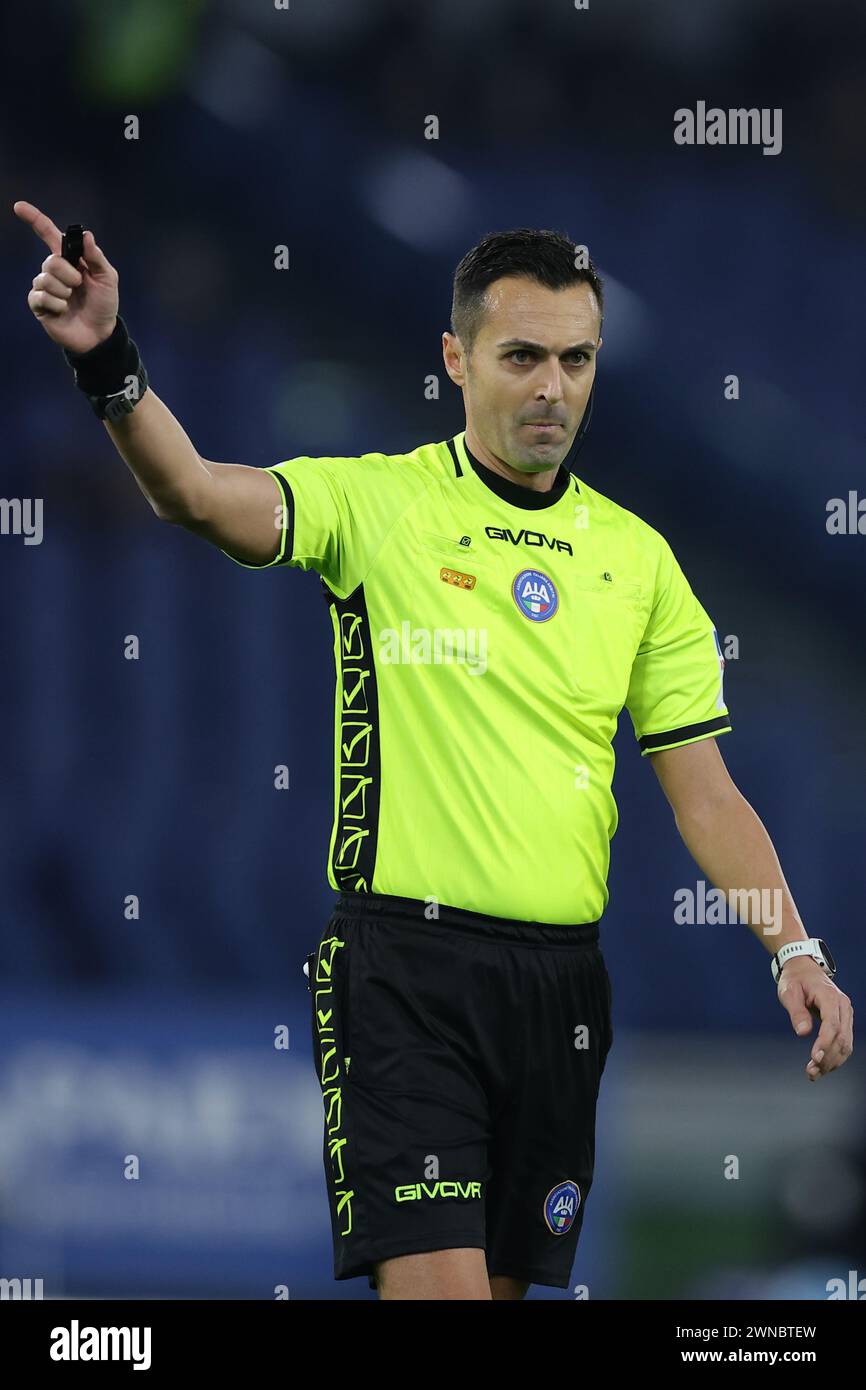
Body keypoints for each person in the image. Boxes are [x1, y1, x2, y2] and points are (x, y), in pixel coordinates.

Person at [15, 205, 854, 1301]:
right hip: (403, 979)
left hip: (560, 989)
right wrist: (111, 365)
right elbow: (197, 494)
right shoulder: (376, 504)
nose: (551, 386)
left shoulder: (639, 564)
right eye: (521, 356)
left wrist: (792, 946)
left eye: (574, 359)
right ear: (456, 359)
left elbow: (703, 793)